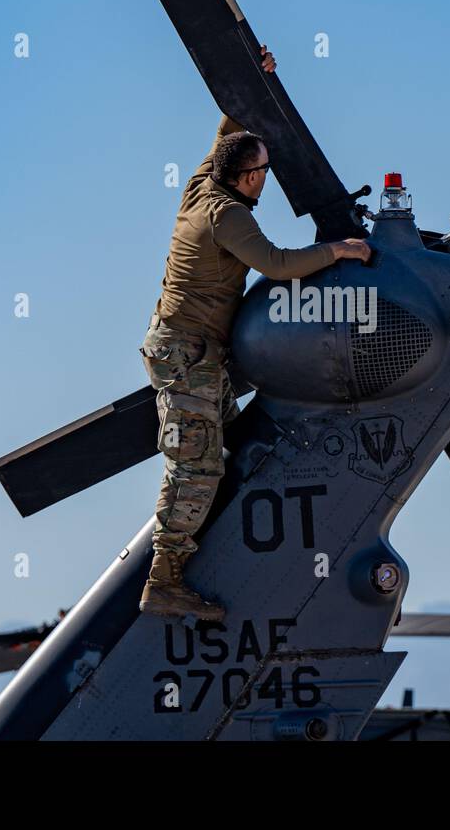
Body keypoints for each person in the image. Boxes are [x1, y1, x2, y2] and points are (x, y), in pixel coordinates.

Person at [139, 46, 371, 620]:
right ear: (247, 177)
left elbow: (226, 137)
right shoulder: (229, 216)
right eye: (264, 169)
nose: (268, 177)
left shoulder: (202, 184)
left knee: (239, 443)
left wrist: (254, 88)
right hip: (189, 356)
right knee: (196, 464)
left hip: (188, 350)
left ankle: (207, 550)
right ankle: (164, 579)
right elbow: (277, 264)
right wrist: (339, 249)